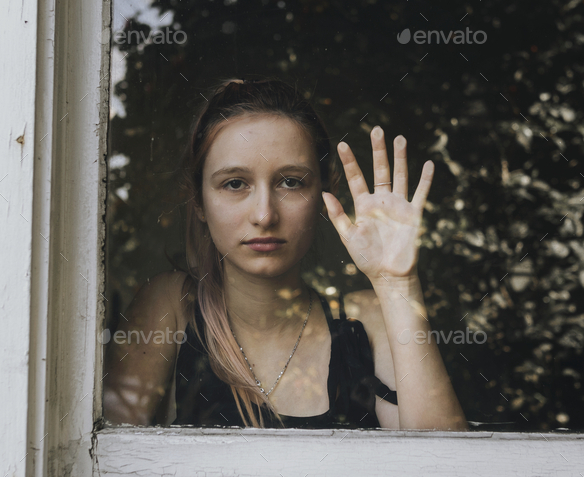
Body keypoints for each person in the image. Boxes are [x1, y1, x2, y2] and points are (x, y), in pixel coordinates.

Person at [103, 78, 468, 430]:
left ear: (324, 193)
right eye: (235, 183)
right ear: (199, 201)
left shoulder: (367, 322)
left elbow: (441, 464)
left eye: (290, 182)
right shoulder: (171, 304)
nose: (264, 215)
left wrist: (397, 284)